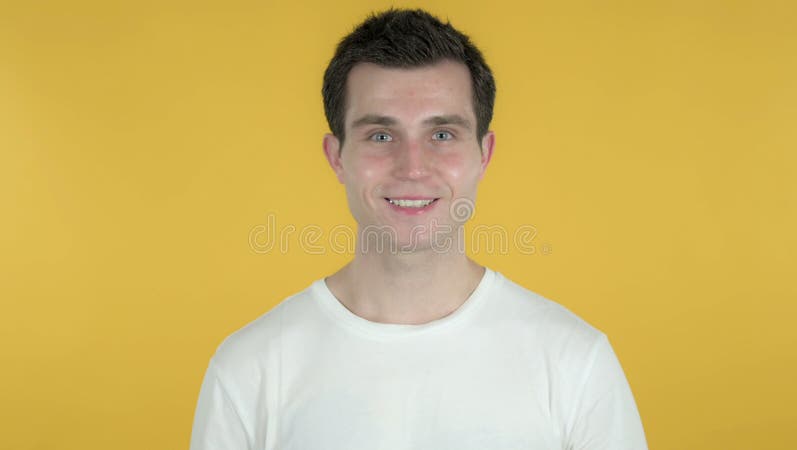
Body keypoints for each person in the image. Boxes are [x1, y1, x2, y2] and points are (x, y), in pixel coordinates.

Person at [190, 8, 648, 450]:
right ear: (336, 157)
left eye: (442, 134)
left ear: (483, 155)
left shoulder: (576, 364)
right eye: (381, 136)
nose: (412, 168)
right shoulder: (247, 371)